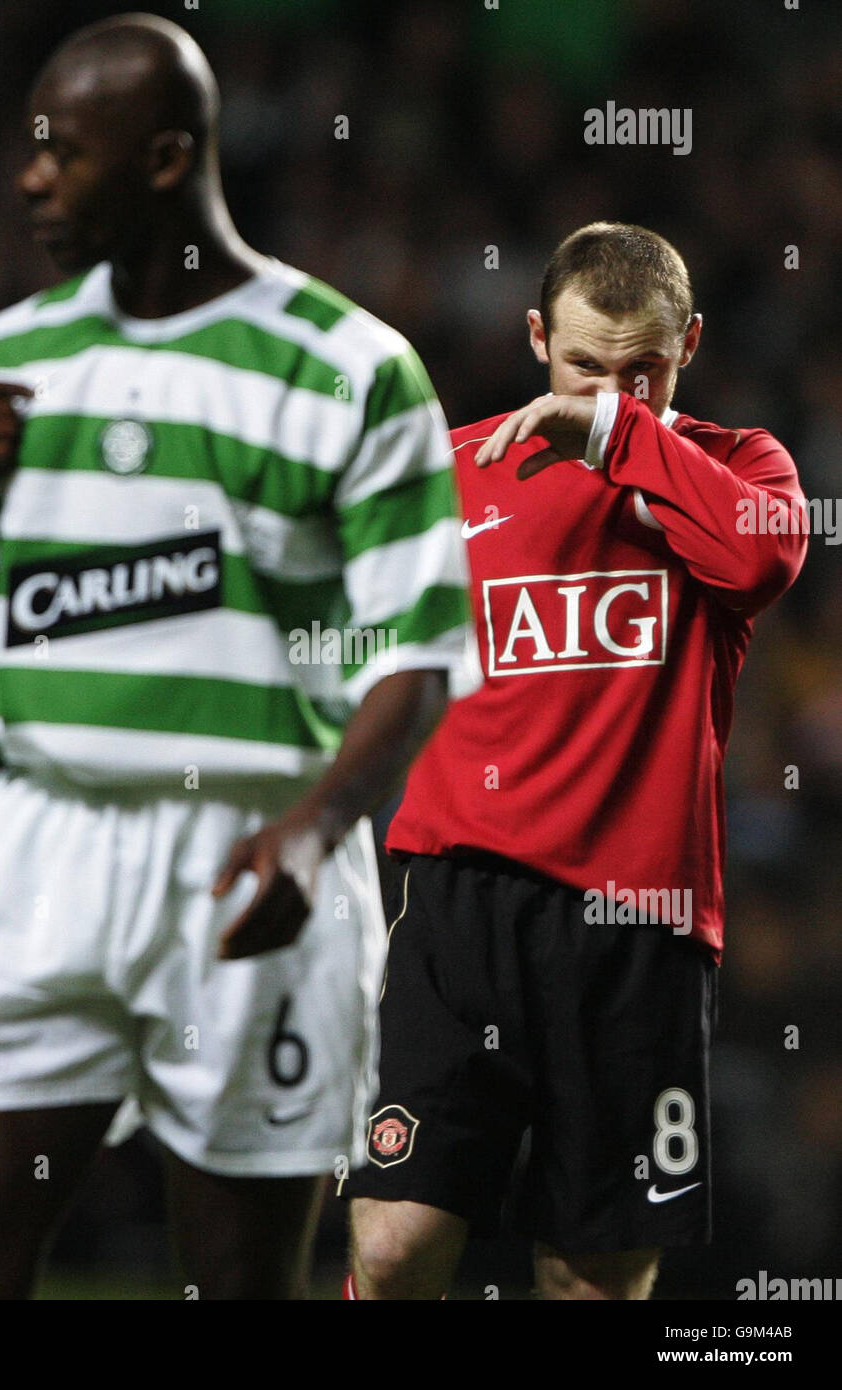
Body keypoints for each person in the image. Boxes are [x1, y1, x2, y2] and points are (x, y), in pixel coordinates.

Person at [0, 14, 472, 1300]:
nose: (29, 179)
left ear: (166, 159)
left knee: (236, 1283)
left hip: (254, 850)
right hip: (41, 840)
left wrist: (317, 830)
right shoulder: (13, 355)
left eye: (64, 152)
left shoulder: (348, 365)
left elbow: (419, 656)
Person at [342, 222, 807, 1300]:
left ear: (689, 345)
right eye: (584, 366)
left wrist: (616, 435)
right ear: (536, 338)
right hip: (458, 903)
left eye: (641, 372)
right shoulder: (453, 471)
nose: (609, 391)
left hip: (639, 922)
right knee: (394, 1245)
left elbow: (758, 558)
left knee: (590, 1277)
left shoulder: (739, 467)